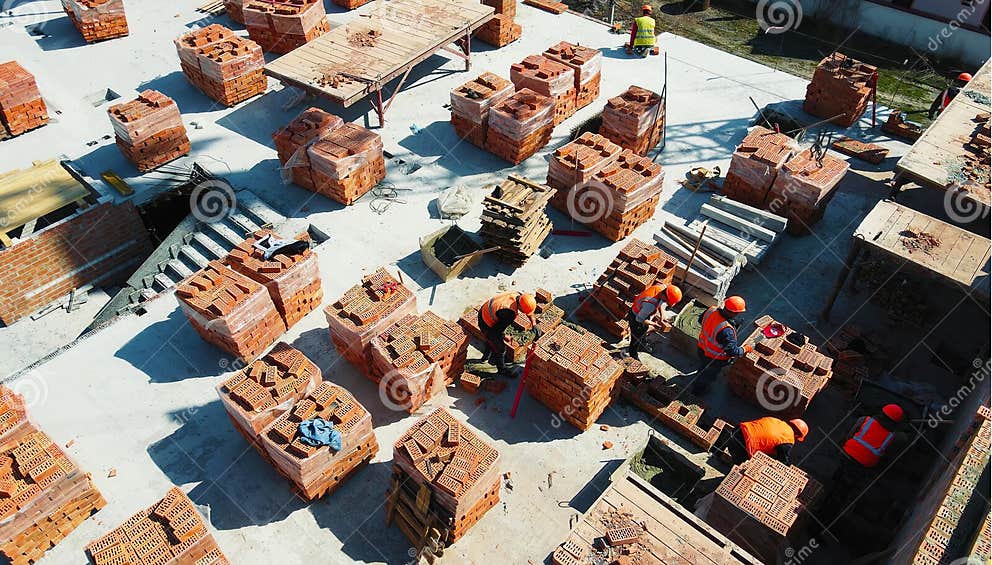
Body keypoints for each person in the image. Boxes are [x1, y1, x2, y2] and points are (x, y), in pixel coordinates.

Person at [820, 404, 906, 528]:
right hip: (863, 465)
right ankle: (827, 516)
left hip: (847, 455)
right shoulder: (893, 437)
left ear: (882, 412)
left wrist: (842, 447)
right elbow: (887, 455)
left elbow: (849, 434)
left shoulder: (865, 420)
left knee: (834, 482)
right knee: (844, 492)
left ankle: (822, 501)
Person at [692, 295, 749, 395]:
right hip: (714, 359)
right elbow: (732, 351)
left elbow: (701, 320)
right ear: (734, 313)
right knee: (707, 376)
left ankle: (699, 378)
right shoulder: (726, 331)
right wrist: (745, 349)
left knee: (703, 368)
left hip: (702, 348)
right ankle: (697, 392)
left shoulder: (711, 310)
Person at [478, 292, 538, 378]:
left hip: (486, 309)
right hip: (486, 322)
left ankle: (485, 357)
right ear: (521, 307)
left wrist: (534, 323)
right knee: (501, 348)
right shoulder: (509, 313)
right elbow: (496, 330)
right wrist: (505, 336)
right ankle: (502, 369)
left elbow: (528, 308)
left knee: (492, 340)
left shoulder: (519, 295)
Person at [724, 416, 808, 465]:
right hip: (743, 447)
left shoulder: (774, 420)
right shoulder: (788, 439)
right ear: (797, 435)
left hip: (736, 431)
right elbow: (782, 462)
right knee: (746, 468)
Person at [628, 283, 682, 357]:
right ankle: (633, 355)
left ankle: (642, 345)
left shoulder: (663, 288)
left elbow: (660, 301)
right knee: (636, 339)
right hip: (635, 317)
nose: (665, 302)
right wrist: (654, 324)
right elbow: (639, 319)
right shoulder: (650, 305)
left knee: (644, 330)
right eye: (666, 301)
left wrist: (662, 315)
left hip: (643, 312)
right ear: (664, 296)